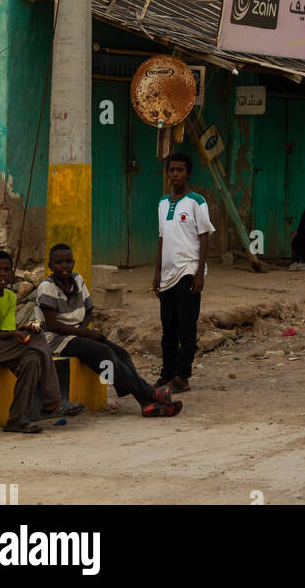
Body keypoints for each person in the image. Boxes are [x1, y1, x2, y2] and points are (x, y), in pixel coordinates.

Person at [37, 243, 181, 418]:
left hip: (76, 334)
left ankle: (145, 403)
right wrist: (85, 334)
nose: (64, 266)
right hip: (56, 339)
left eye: (68, 261)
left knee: (122, 354)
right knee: (105, 354)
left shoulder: (78, 280)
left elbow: (89, 311)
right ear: (50, 267)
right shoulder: (47, 286)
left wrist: (83, 330)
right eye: (59, 263)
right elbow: (52, 325)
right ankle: (149, 393)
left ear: (73, 263)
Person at [0, 248, 84, 434]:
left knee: (32, 359)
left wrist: (22, 329)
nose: (3, 274)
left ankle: (17, 420)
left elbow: (8, 331)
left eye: (7, 270)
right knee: (38, 337)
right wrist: (15, 334)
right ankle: (53, 401)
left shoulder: (10, 297)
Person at [152, 151, 214, 392]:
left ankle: (183, 376)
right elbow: (161, 238)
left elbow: (204, 236)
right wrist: (156, 272)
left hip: (188, 270)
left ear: (188, 173)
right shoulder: (162, 203)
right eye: (171, 170)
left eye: (179, 170)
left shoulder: (197, 202)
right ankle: (167, 374)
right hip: (167, 274)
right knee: (168, 327)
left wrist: (199, 272)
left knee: (187, 326)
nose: (175, 174)